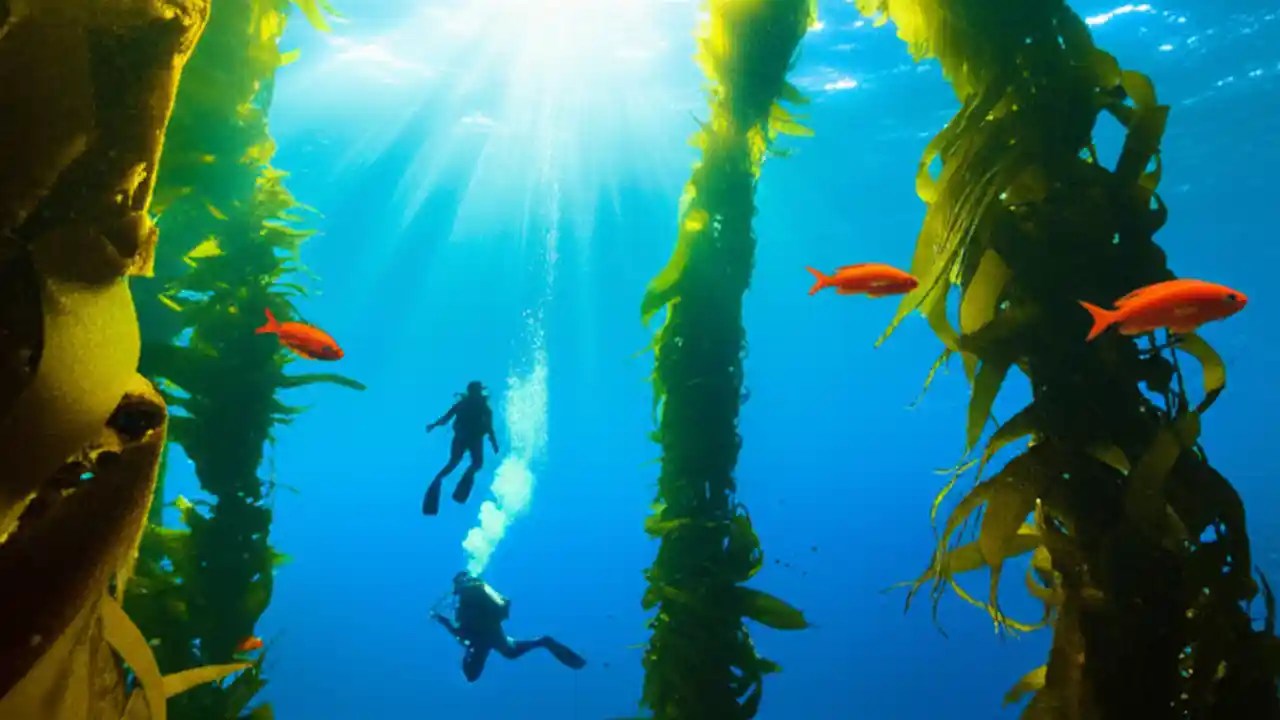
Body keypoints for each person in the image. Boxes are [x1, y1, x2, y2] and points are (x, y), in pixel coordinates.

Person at [431, 571, 587, 682]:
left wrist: (439, 617)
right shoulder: (477, 593)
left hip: (483, 637)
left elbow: (456, 628)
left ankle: (544, 642)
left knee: (475, 672)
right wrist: (441, 619)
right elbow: (502, 607)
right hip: (493, 634)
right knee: (508, 653)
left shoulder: (465, 616)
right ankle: (545, 642)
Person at [424, 381, 500, 515]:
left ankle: (444, 480)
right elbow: (488, 427)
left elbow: (446, 419)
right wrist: (434, 425)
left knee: (460, 463)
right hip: (471, 438)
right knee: (472, 464)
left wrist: (434, 425)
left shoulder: (467, 405)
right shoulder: (482, 407)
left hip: (465, 437)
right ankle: (451, 481)